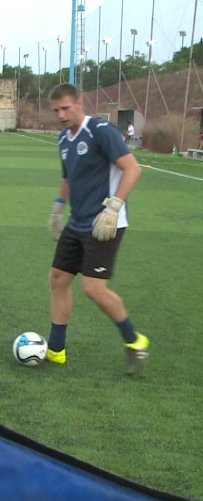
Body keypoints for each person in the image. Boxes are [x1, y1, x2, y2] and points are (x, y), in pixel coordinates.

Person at [45, 83, 148, 374]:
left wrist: (113, 207)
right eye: (56, 110)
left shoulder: (100, 131)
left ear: (80, 103)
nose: (61, 115)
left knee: (93, 288)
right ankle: (55, 350)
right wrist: (57, 207)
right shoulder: (63, 138)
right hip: (77, 221)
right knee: (58, 278)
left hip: (105, 222)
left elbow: (133, 168)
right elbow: (68, 176)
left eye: (66, 108)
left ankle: (135, 342)